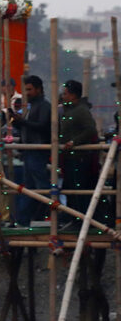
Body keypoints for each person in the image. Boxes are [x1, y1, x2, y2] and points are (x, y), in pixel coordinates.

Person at [10, 75, 51, 227]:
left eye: (29, 89)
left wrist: (23, 122)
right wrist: (17, 122)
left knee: (41, 186)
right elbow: (28, 126)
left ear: (38, 89)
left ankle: (55, 212)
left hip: (37, 150)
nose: (27, 93)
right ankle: (23, 219)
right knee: (30, 188)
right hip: (29, 150)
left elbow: (42, 125)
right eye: (25, 90)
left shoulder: (44, 106)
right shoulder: (30, 106)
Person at [59, 79, 99, 228]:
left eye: (65, 94)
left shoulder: (81, 111)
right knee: (70, 190)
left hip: (79, 159)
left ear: (73, 95)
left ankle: (80, 220)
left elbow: (91, 130)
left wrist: (74, 142)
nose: (63, 96)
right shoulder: (68, 110)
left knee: (78, 190)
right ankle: (74, 218)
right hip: (70, 158)